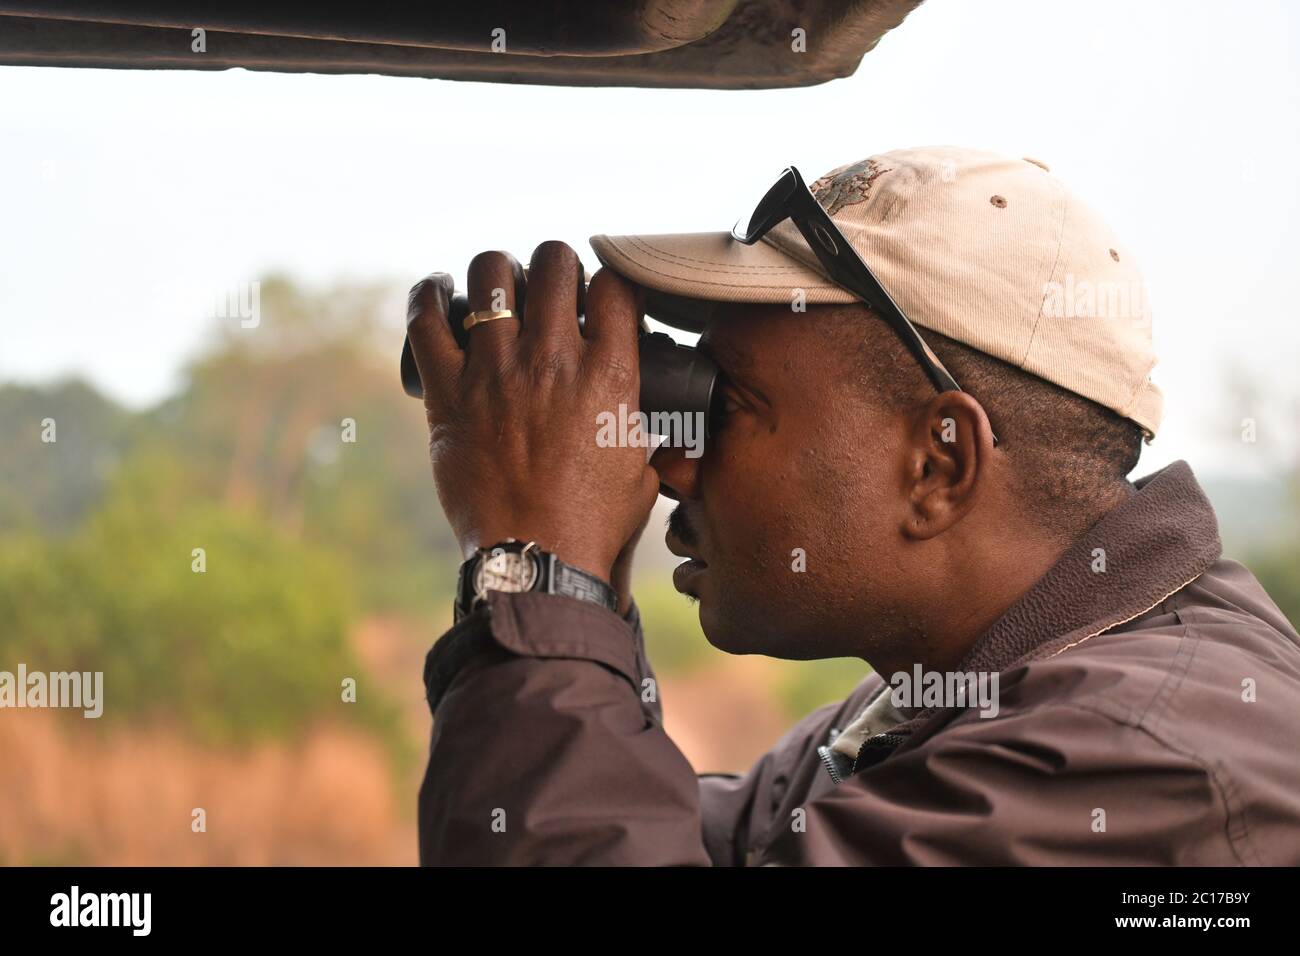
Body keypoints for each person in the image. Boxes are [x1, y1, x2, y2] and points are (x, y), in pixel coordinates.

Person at [406, 146, 1300, 865]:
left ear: (939, 466)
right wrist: (577, 574)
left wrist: (538, 566)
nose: (671, 464)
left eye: (725, 403)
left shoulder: (1141, 766)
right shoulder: (942, 701)